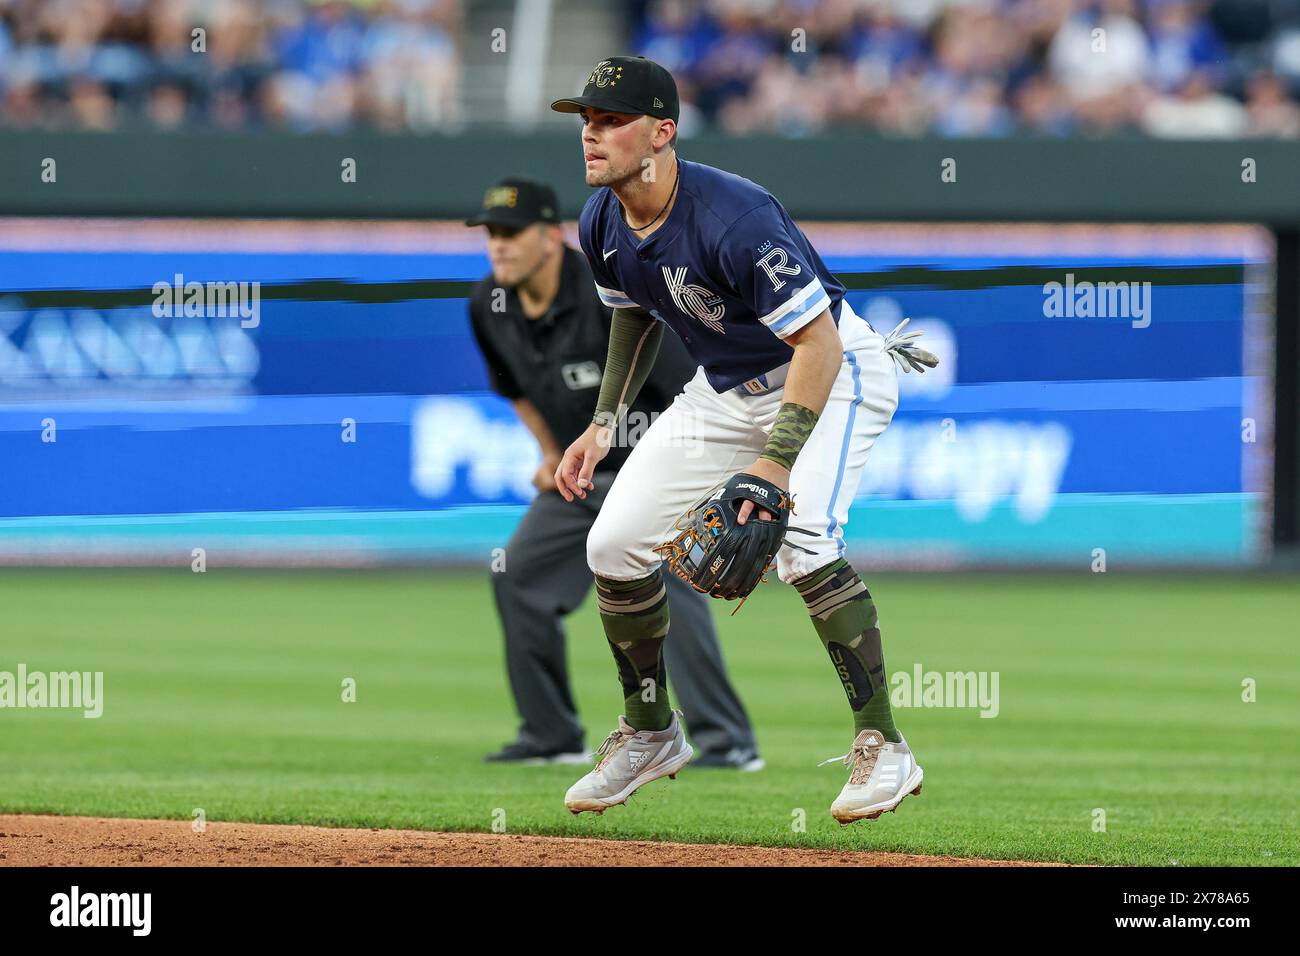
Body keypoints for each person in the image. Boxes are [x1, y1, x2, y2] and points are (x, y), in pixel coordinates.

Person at [550, 57, 935, 822]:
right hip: (726, 394)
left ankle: (884, 746)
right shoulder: (600, 219)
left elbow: (818, 346)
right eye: (586, 121)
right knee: (613, 547)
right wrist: (601, 422)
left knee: (806, 541)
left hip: (833, 371)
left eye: (612, 121)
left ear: (662, 132)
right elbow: (635, 309)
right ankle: (653, 731)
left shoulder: (733, 215)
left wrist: (776, 462)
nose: (592, 135)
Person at [465, 176, 762, 770]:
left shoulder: (605, 290)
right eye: (490, 234)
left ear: (551, 236)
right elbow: (516, 388)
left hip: (652, 467)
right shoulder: (489, 304)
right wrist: (550, 452)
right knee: (517, 575)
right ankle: (551, 735)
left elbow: (687, 384)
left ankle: (727, 743)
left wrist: (693, 474)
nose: (498, 245)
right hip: (581, 476)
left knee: (665, 583)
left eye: (511, 233)